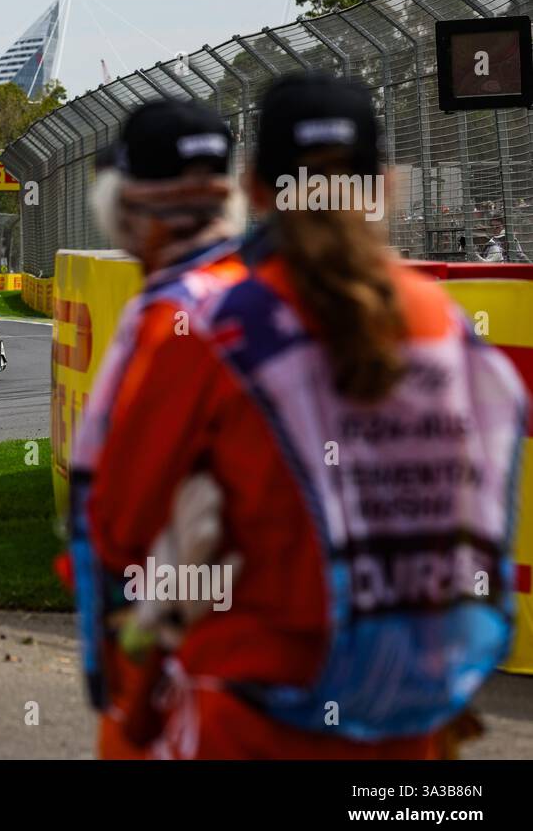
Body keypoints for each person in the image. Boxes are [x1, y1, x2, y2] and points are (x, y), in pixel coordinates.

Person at [82, 72, 526, 759]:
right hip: (413, 720)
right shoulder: (450, 327)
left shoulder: (213, 329)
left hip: (256, 715)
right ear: (384, 186)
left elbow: (115, 526)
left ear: (256, 190)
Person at [66, 101, 249, 759]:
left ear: (124, 204)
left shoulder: (174, 325)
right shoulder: (261, 293)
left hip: (198, 675)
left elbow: (120, 520)